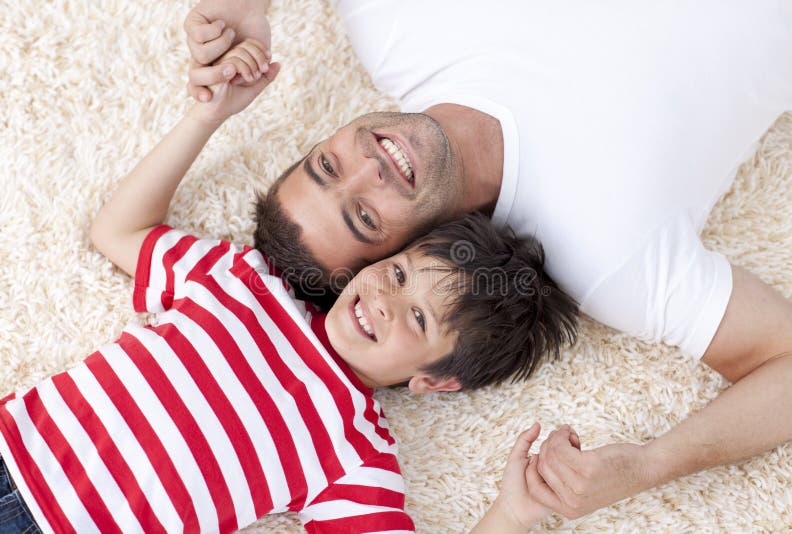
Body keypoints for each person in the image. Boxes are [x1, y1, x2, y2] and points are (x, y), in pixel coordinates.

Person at [183, 0, 792, 521]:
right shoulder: (611, 262)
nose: (367, 167)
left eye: (327, 166)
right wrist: (652, 462)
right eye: (365, 217)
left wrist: (241, 8)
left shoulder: (394, 28)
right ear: (406, 261)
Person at [0, 38, 577, 533]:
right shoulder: (241, 278)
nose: (384, 301)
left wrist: (510, 513)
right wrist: (206, 116)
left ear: (435, 380)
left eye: (420, 319)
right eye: (398, 274)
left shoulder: (354, 453)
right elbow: (118, 230)